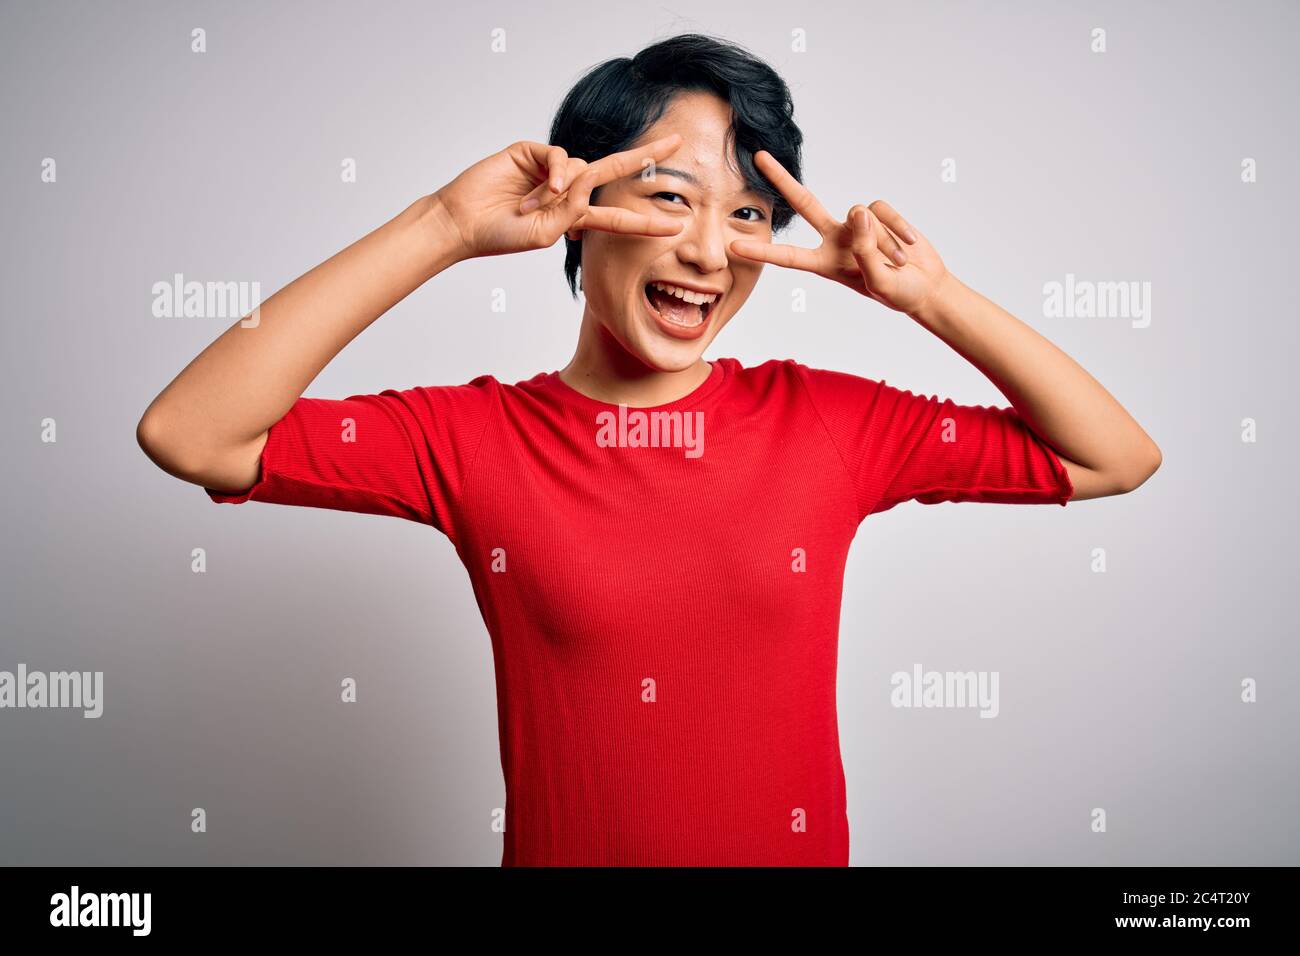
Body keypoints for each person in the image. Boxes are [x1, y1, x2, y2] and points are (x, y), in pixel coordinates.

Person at [136, 33, 1160, 866]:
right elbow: (191, 432)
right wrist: (444, 223)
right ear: (582, 207)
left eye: (747, 215)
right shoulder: (473, 438)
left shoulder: (830, 424)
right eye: (670, 197)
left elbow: (1114, 455)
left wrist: (930, 296)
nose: (710, 252)